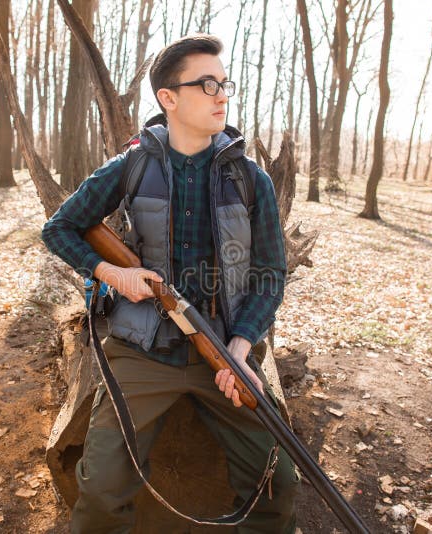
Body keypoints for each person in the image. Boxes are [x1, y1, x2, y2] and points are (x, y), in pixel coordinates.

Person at [42, 33, 299, 533]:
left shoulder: (251, 179)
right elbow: (59, 228)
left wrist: (240, 347)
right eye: (207, 84)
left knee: (278, 484)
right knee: (100, 490)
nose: (222, 95)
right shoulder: (133, 165)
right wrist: (111, 272)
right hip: (142, 349)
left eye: (224, 83)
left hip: (223, 349)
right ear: (168, 98)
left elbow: (270, 274)